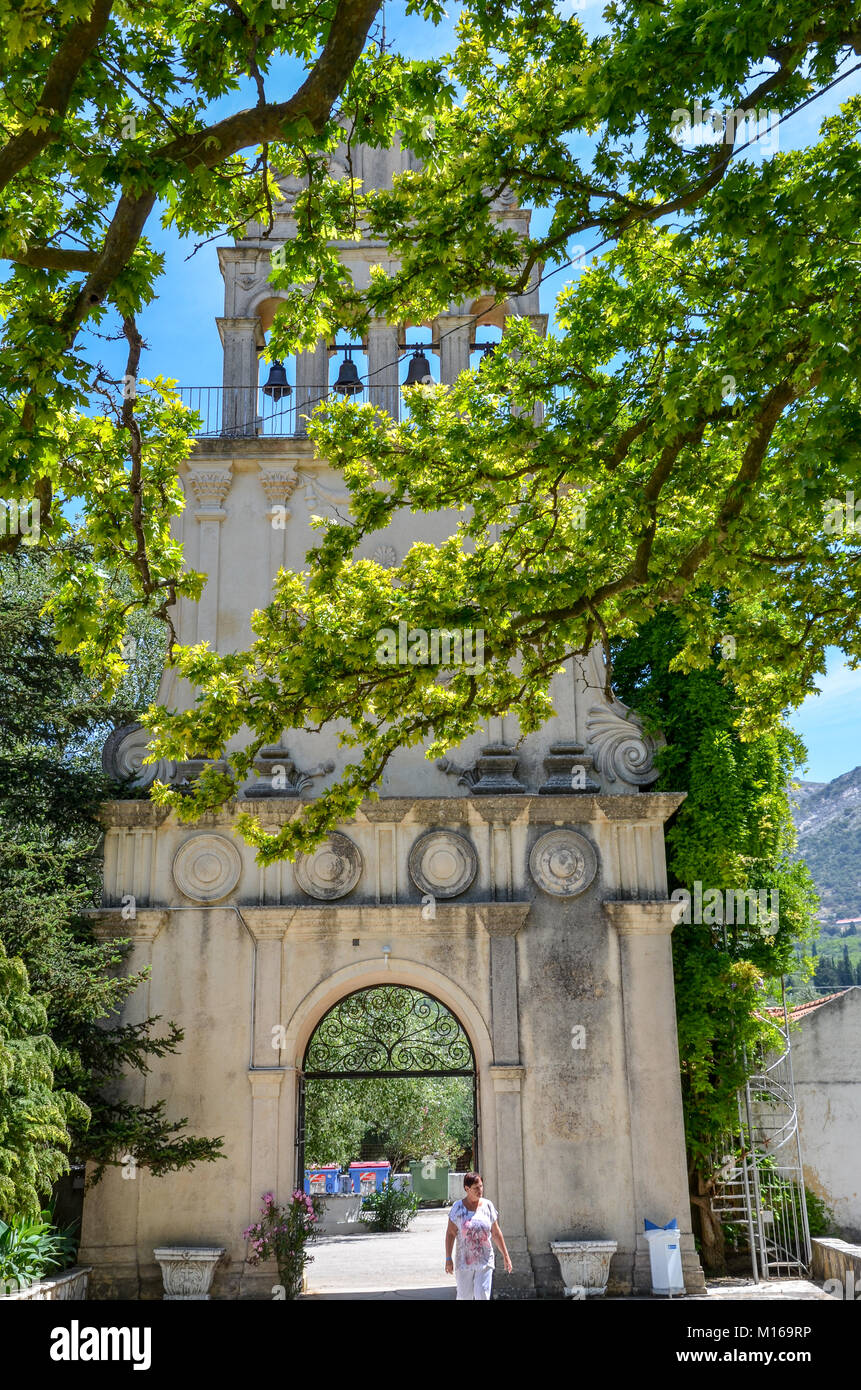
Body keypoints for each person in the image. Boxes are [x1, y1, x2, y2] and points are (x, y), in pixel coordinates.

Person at [445, 1172, 512, 1299]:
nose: (480, 1190)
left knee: (482, 1294)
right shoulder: (457, 1208)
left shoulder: (488, 1206)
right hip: (464, 1261)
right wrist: (448, 1259)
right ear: (467, 1189)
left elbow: (496, 1233)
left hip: (484, 1259)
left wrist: (506, 1256)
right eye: (476, 1188)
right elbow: (450, 1234)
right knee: (465, 1297)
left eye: (481, 1186)